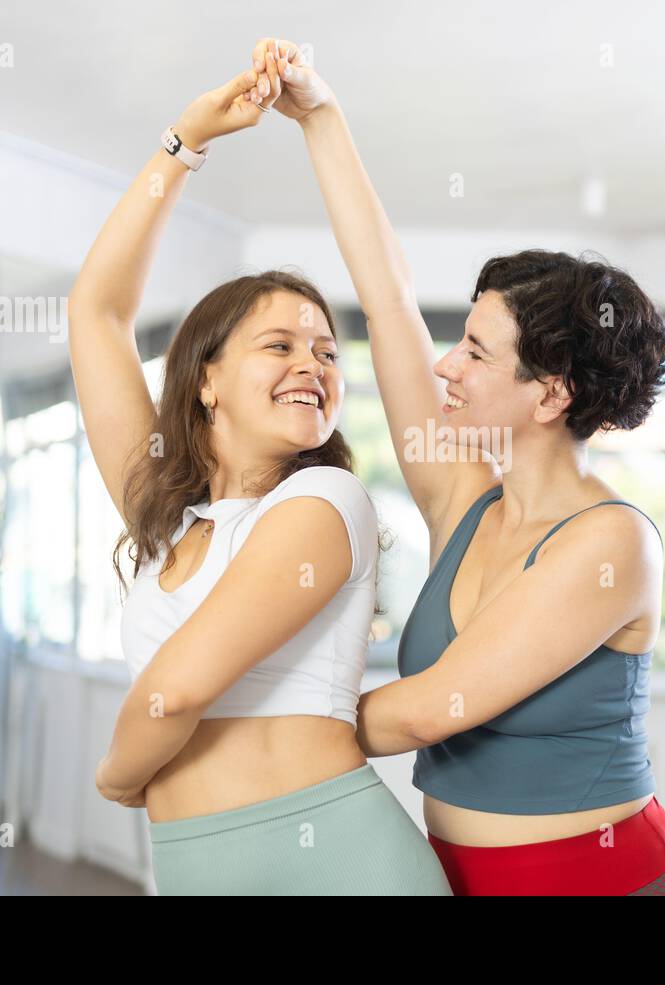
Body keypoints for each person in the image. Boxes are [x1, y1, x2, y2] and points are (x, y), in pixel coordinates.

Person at [247, 37, 665, 895]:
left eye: (477, 353)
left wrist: (233, 713)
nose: (447, 367)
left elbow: (430, 707)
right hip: (465, 877)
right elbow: (386, 299)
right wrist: (321, 117)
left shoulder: (612, 544)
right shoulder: (467, 499)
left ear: (550, 395)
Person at [68, 59, 451, 895]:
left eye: (324, 351)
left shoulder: (325, 502)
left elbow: (172, 693)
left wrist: (116, 775)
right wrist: (185, 142)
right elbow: (95, 311)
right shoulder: (168, 516)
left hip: (338, 862)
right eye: (279, 345)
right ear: (205, 377)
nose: (311, 364)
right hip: (196, 866)